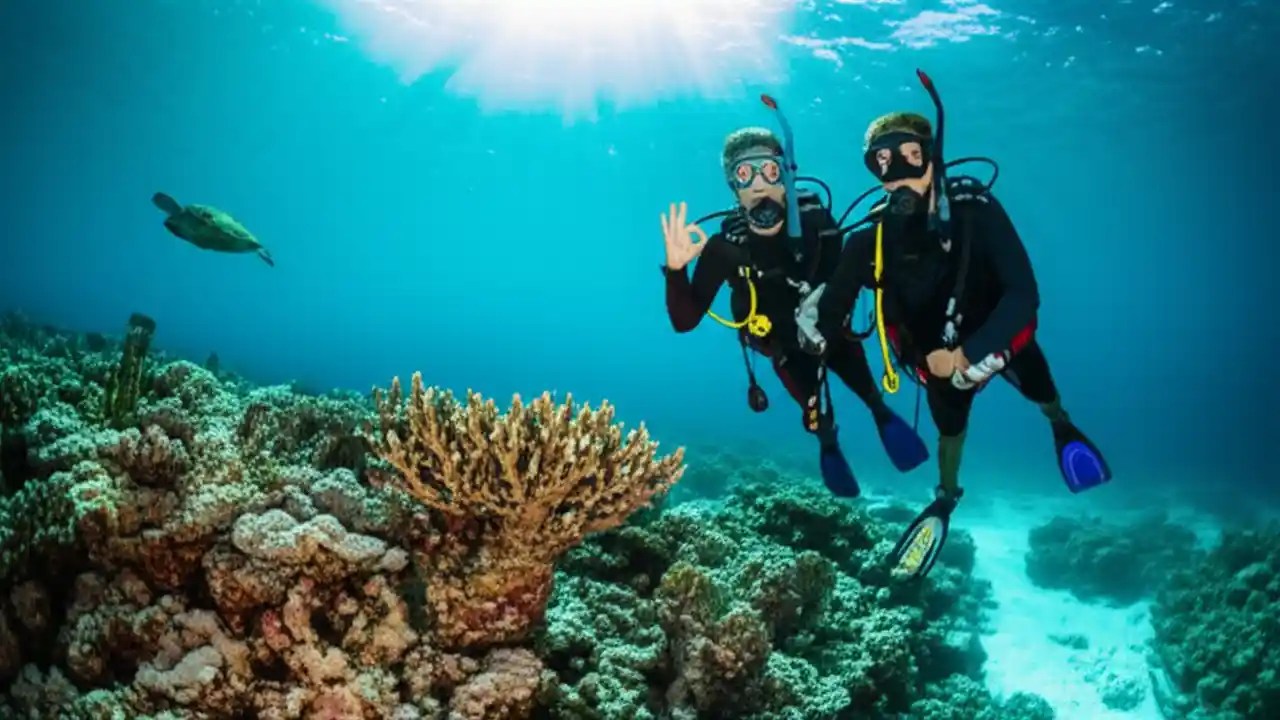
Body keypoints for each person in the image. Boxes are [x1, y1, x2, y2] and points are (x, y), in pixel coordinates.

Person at [815, 71, 1112, 578]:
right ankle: (947, 496)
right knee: (949, 428)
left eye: (909, 156)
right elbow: (831, 315)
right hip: (933, 369)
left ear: (932, 156)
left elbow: (1024, 295)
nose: (897, 174)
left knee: (1039, 384)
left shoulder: (976, 211)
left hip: (999, 343)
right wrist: (819, 314)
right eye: (882, 163)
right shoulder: (869, 243)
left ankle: (1060, 423)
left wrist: (970, 354)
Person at [660, 124, 929, 498]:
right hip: (782, 347)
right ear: (731, 185)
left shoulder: (818, 224)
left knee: (870, 395)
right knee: (818, 420)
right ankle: (829, 443)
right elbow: (685, 322)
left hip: (835, 334)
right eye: (743, 173)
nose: (757, 184)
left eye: (768, 170)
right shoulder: (725, 249)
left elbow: (859, 277)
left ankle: (880, 414)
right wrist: (676, 271)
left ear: (785, 174)